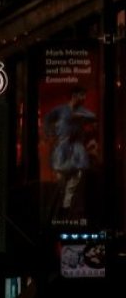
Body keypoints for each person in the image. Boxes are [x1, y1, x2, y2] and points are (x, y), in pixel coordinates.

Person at [43, 85, 98, 223]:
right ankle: (56, 213)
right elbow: (48, 119)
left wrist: (79, 116)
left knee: (74, 181)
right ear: (74, 95)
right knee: (60, 183)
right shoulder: (61, 110)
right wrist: (50, 134)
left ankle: (66, 211)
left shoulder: (82, 111)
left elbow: (93, 117)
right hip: (62, 149)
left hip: (76, 151)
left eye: (85, 95)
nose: (84, 98)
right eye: (81, 95)